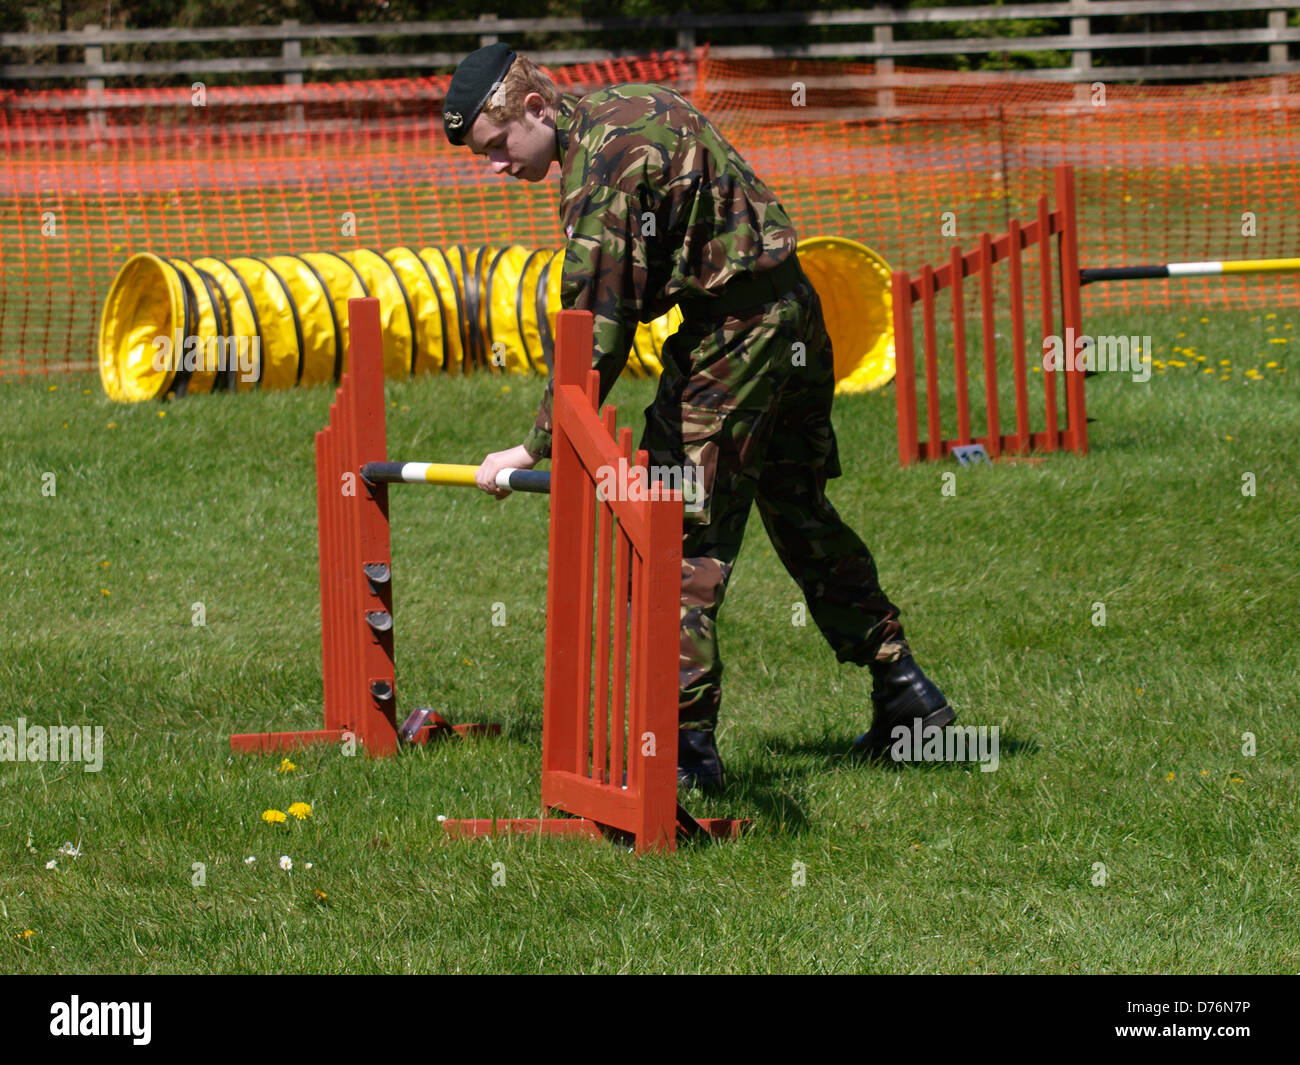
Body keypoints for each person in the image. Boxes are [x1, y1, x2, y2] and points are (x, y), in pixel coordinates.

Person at [444, 43, 955, 792]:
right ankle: (904, 692)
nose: (495, 165)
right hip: (793, 309)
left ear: (532, 108)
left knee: (670, 531)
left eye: (495, 147)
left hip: (733, 334)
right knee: (797, 507)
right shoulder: (636, 103)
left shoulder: (603, 169)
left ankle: (684, 759)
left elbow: (597, 323)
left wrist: (534, 445)